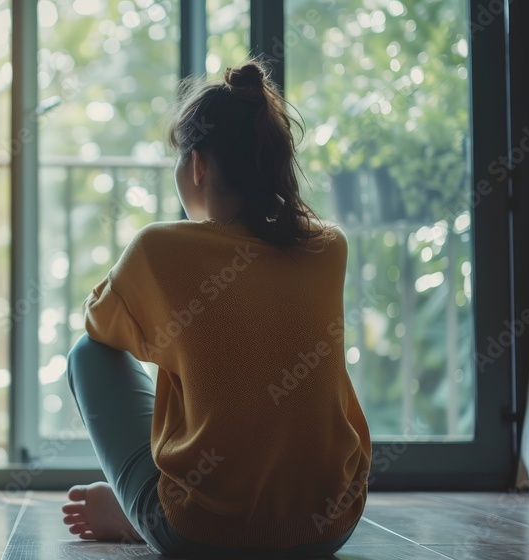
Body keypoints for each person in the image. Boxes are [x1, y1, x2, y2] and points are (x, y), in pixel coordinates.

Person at [61, 58, 372, 558]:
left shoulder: (161, 248)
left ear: (198, 165)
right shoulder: (328, 247)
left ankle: (141, 507)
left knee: (85, 355)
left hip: (201, 534)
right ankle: (146, 504)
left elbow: (99, 325)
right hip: (329, 527)